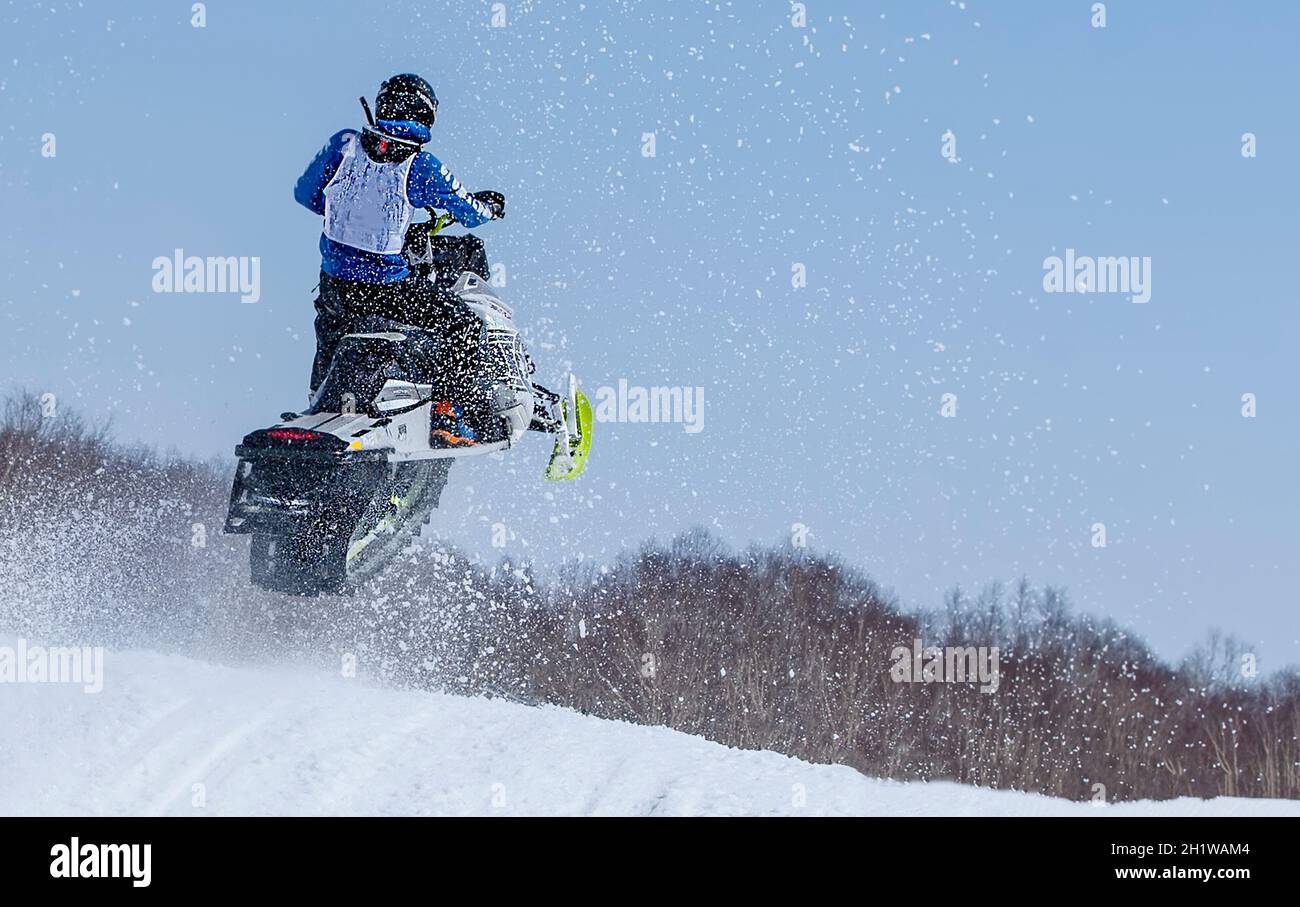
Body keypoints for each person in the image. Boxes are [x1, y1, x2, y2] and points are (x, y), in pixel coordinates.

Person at [293, 73, 505, 447]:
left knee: (332, 335)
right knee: (465, 327)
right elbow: (470, 213)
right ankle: (449, 415)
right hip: (386, 290)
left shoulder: (342, 144)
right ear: (426, 116)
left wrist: (353, 215)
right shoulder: (421, 166)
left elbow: (306, 194)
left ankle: (318, 408)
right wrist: (489, 205)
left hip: (334, 286)